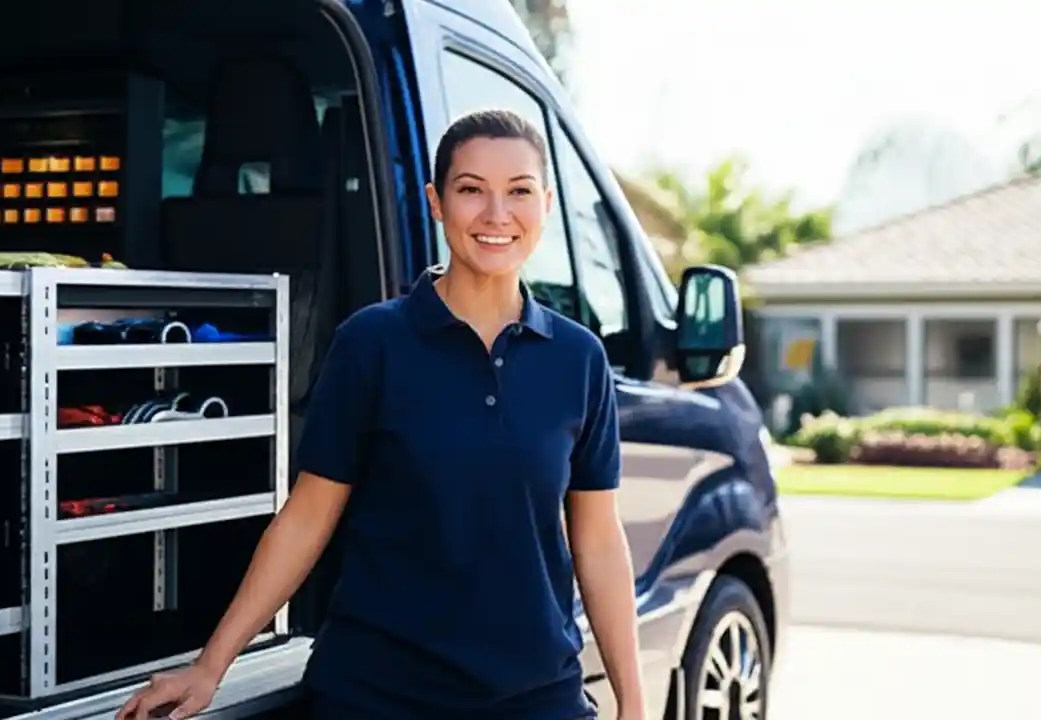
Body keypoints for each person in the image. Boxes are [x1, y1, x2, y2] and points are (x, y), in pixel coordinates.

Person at [116, 109, 646, 720]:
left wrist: (632, 703)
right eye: (471, 190)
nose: (497, 215)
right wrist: (212, 666)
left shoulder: (579, 358)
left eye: (519, 192)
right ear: (436, 202)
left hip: (535, 699)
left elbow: (599, 540)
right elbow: (306, 518)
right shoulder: (373, 342)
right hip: (378, 697)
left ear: (546, 205)